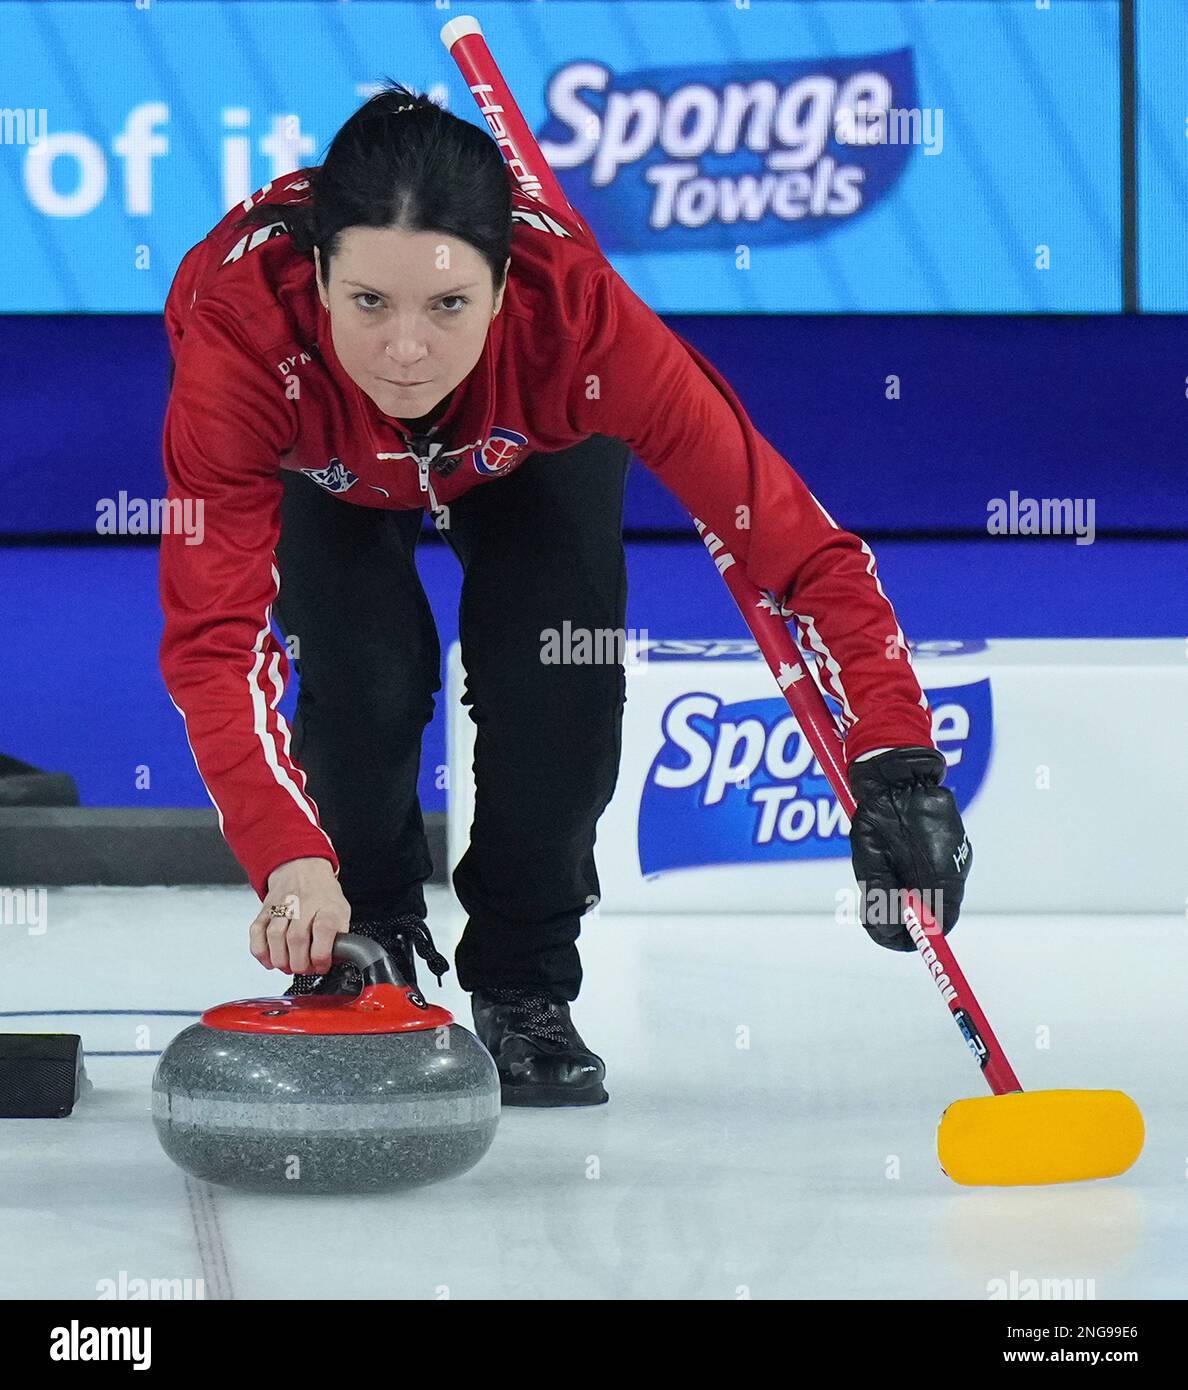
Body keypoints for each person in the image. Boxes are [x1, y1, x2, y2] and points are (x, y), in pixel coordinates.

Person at [159, 81, 971, 1109]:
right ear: (317, 278)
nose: (406, 350)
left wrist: (898, 764)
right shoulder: (238, 336)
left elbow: (804, 554)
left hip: (529, 447)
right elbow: (212, 646)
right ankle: (363, 939)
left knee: (564, 683)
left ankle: (524, 980)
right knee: (362, 672)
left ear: (505, 289)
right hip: (327, 458)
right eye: (368, 302)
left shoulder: (582, 322)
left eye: (448, 304)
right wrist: (286, 860)